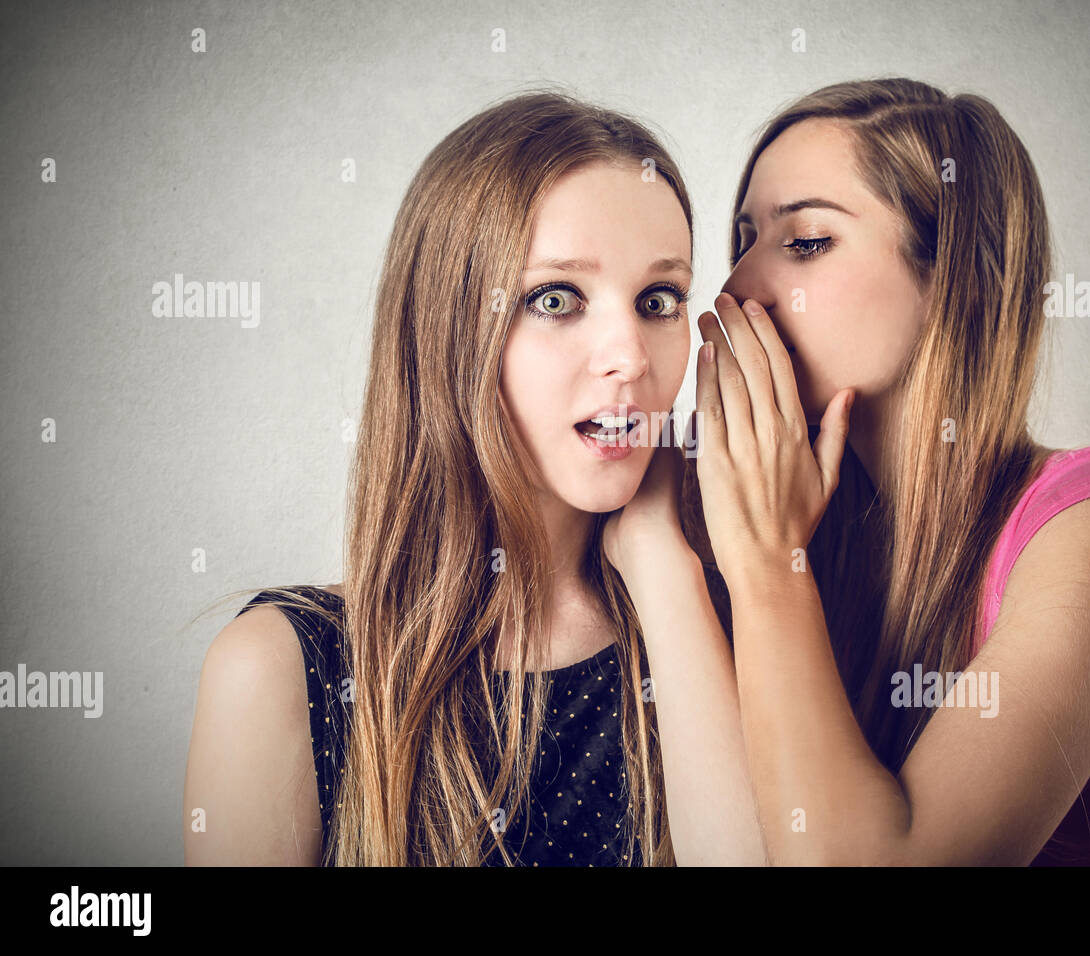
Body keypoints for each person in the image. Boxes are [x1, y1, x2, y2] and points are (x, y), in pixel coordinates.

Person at [183, 90, 764, 867]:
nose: (631, 353)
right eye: (556, 299)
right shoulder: (285, 668)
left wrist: (661, 564)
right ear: (449, 331)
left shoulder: (728, 622)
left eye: (658, 299)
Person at [686, 77, 1090, 865]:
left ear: (951, 277)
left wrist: (765, 566)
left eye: (805, 242)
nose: (736, 290)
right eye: (743, 242)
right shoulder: (808, 521)